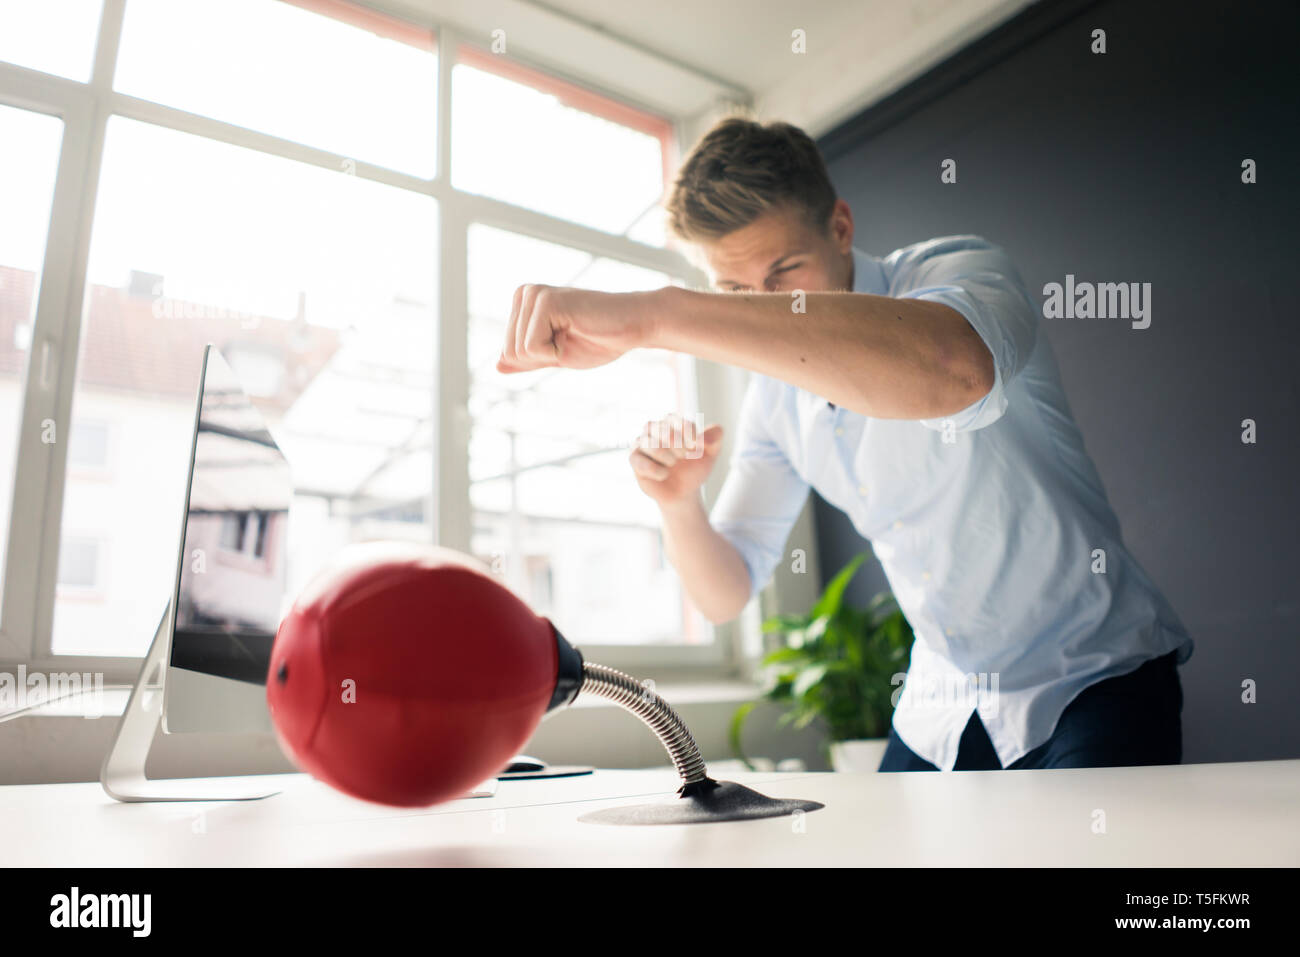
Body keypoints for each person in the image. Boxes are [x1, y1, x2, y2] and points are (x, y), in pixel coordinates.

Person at [496, 115, 1192, 771]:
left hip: (1093, 674)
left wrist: (657, 314)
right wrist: (678, 503)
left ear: (841, 226)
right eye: (733, 288)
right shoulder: (772, 400)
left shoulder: (962, 272)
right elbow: (726, 590)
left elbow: (953, 372)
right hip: (943, 700)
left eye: (783, 274)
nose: (762, 307)